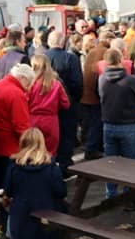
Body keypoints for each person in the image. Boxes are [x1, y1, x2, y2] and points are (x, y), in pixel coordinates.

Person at [98, 48, 135, 199]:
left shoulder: (101, 79)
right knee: (132, 164)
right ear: (120, 60)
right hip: (128, 125)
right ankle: (130, 198)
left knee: (111, 163)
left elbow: (101, 96)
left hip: (108, 125)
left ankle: (111, 195)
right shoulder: (130, 80)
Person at [3, 128, 68, 239]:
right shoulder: (51, 167)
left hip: (19, 229)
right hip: (46, 230)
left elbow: (9, 192)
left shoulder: (14, 166)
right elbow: (61, 192)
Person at [0, 63, 34, 192]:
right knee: (10, 184)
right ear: (22, 78)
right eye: (29, 83)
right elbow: (21, 125)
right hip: (10, 146)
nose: (28, 88)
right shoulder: (16, 93)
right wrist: (32, 144)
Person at [45, 31, 83, 175]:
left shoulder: (42, 57)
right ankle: (65, 164)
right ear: (62, 43)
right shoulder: (71, 58)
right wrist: (75, 99)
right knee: (66, 135)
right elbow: (77, 83)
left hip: (46, 104)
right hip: (67, 103)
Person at [28, 55, 70, 156]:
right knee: (50, 152)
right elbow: (66, 104)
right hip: (51, 121)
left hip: (32, 119)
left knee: (32, 150)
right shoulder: (56, 84)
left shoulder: (30, 84)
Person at [80, 32, 112, 160]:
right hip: (95, 94)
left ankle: (90, 145)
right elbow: (99, 73)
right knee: (96, 123)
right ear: (108, 40)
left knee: (90, 122)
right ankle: (91, 149)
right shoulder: (105, 52)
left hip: (86, 92)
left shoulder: (93, 51)